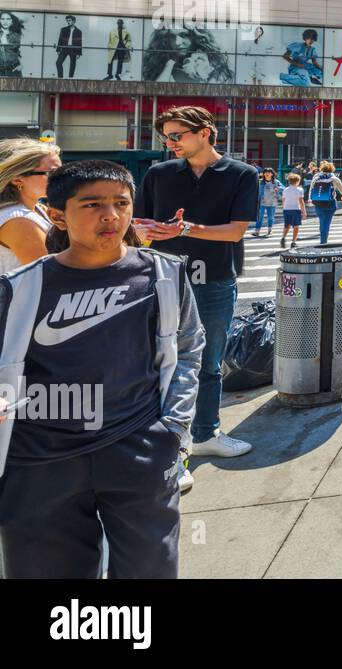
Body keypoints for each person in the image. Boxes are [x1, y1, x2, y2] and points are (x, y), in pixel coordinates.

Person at [0, 160, 203, 577]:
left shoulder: (163, 275)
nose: (110, 215)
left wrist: (174, 429)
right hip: (39, 458)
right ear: (57, 215)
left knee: (149, 568)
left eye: (121, 203)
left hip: (140, 448)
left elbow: (188, 348)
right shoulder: (20, 287)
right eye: (91, 204)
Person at [134, 105, 257, 463]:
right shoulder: (159, 174)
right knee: (159, 361)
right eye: (166, 137)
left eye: (176, 135)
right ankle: (170, 445)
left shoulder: (241, 173)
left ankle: (205, 433)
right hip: (161, 279)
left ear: (204, 132)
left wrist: (186, 229)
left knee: (208, 362)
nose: (170, 142)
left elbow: (236, 231)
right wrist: (144, 233)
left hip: (215, 279)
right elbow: (141, 225)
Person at [0, 138, 61, 274]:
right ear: (17, 179)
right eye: (52, 173)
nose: (61, 178)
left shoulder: (38, 208)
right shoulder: (18, 220)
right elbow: (52, 274)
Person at [308, 162, 342, 244]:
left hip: (318, 203)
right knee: (326, 223)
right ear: (332, 169)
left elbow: (311, 188)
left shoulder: (316, 176)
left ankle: (322, 235)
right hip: (330, 203)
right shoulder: (333, 178)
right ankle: (323, 241)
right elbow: (341, 187)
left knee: (322, 221)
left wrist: (310, 199)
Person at [253, 167, 282, 237]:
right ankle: (257, 231)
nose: (267, 174)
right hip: (261, 202)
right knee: (259, 217)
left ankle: (270, 231)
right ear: (263, 174)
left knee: (271, 217)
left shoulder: (276, 182)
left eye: (269, 172)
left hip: (272, 202)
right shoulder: (260, 181)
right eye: (265, 172)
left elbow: (282, 188)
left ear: (272, 174)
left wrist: (278, 189)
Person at [280, 172, 305, 249]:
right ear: (297, 181)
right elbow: (301, 202)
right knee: (296, 226)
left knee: (287, 225)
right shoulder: (299, 190)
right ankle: (293, 242)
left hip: (286, 209)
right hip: (296, 209)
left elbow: (283, 200)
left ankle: (283, 237)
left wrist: (284, 208)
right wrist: (304, 211)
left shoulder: (285, 190)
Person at [54, 14, 82, 79]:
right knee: (58, 63)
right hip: (65, 48)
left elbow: (79, 43)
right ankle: (60, 78)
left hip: (73, 49)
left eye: (69, 20)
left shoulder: (79, 31)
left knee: (72, 64)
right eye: (67, 20)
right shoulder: (63, 29)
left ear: (74, 21)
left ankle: (70, 78)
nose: (68, 22)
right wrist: (58, 49)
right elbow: (60, 39)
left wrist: (79, 53)